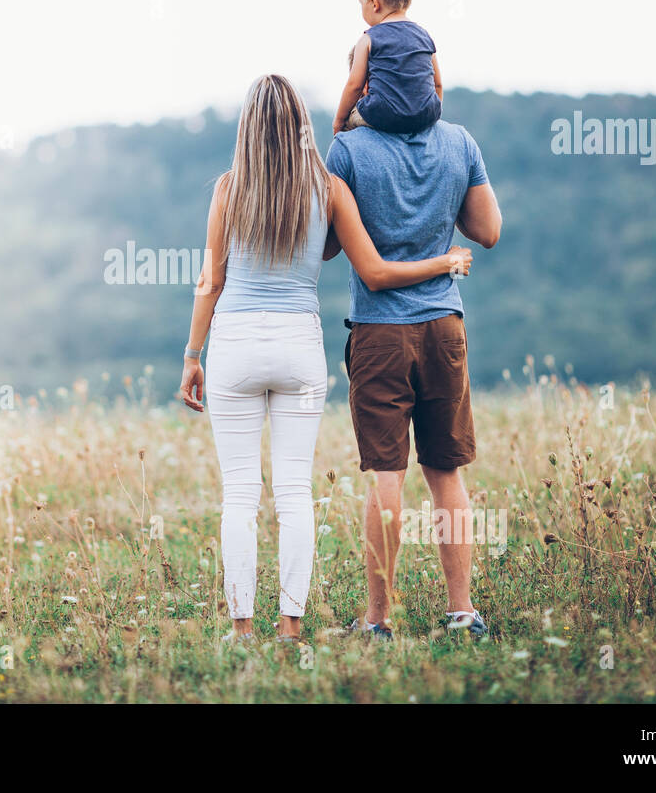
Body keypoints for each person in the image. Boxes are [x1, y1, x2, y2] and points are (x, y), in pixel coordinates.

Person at [179, 74, 472, 643]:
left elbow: (209, 281)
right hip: (298, 344)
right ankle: (290, 627)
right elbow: (373, 269)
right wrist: (443, 262)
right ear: (300, 126)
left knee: (238, 495)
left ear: (247, 130)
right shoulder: (331, 189)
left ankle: (242, 630)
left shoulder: (227, 190)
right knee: (294, 493)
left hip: (235, 342)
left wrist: (194, 354)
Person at [326, 105, 502, 640]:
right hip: (444, 327)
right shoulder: (459, 142)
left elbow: (330, 248)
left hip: (379, 333)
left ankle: (378, 621)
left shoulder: (348, 152)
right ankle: (463, 614)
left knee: (386, 473)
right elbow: (488, 231)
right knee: (446, 473)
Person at [332, 0, 443, 136]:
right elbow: (437, 84)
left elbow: (354, 85)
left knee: (349, 124)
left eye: (362, 4)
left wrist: (339, 121)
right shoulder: (424, 35)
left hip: (383, 114)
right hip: (426, 114)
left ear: (374, 3)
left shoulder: (368, 38)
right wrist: (427, 116)